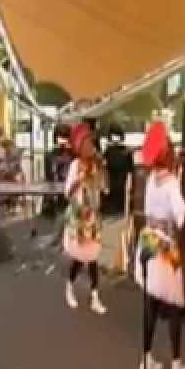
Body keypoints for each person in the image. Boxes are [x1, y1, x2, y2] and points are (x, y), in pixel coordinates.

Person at [133, 122, 185, 369]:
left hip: (148, 242)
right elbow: (180, 217)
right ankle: (176, 366)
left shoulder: (151, 180)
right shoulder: (171, 184)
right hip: (165, 247)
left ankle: (146, 358)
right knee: (173, 305)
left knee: (151, 303)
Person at [62, 123, 108, 314]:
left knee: (94, 257)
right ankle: (70, 287)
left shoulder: (97, 164)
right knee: (79, 258)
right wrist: (79, 179)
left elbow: (104, 187)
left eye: (92, 142)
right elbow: (67, 192)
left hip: (93, 216)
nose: (91, 146)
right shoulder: (74, 166)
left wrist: (101, 177)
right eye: (87, 143)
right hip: (79, 216)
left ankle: (95, 296)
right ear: (79, 147)